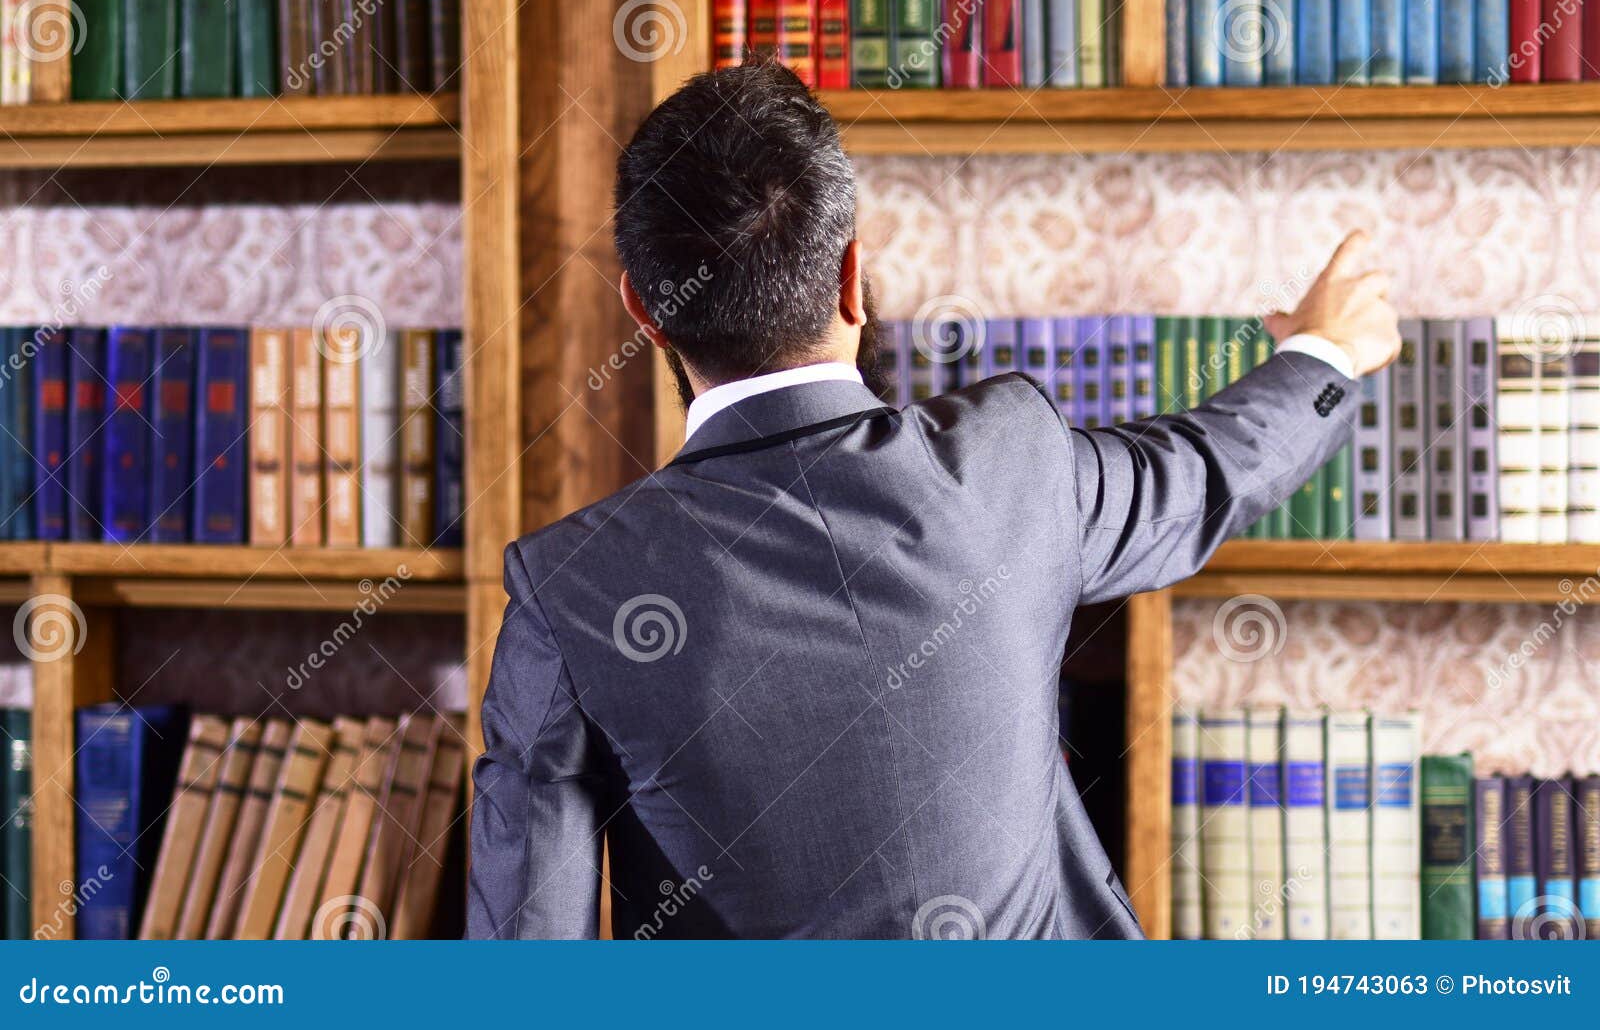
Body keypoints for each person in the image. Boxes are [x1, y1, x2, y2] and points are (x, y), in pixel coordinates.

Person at [466, 62, 1399, 939]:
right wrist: (1327, 353)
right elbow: (1203, 470)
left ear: (643, 310)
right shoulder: (1011, 466)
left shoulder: (569, 587)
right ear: (853, 279)